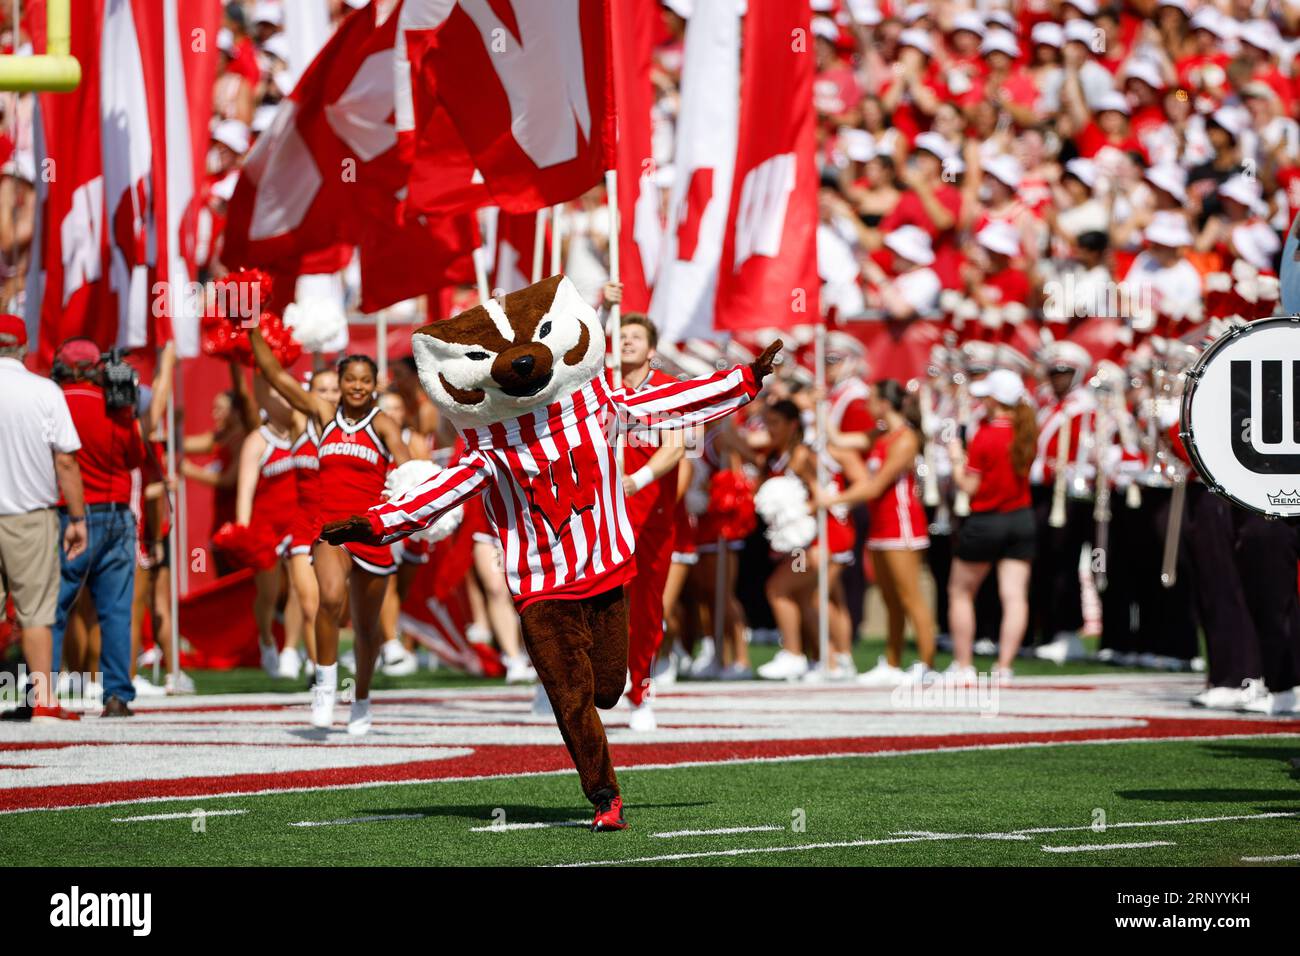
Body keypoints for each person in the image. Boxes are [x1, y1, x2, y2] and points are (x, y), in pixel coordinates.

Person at [250, 326, 409, 733]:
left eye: (365, 381)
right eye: (350, 380)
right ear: (338, 384)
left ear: (376, 385)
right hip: (332, 531)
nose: (357, 387)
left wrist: (415, 509)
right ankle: (324, 686)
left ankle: (361, 699)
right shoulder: (324, 416)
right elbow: (275, 375)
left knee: (368, 628)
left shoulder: (384, 424)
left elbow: (411, 474)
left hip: (372, 533)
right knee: (330, 599)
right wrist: (251, 327)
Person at [51, 338, 157, 718]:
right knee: (115, 610)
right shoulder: (115, 405)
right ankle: (116, 695)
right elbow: (135, 457)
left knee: (53, 608)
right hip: (115, 515)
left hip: (68, 516)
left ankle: (44, 695)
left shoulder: (54, 400)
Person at [0, 316, 86, 722]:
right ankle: (43, 701)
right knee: (36, 612)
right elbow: (66, 460)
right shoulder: (44, 390)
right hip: (31, 516)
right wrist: (78, 517)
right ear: (23, 346)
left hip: (24, 513)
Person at [823, 381, 937, 686]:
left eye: (872, 400)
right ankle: (893, 661)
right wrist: (818, 408)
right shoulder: (881, 434)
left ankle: (927, 663)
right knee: (889, 598)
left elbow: (875, 485)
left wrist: (831, 500)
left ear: (886, 404)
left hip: (902, 525)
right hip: (880, 525)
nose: (867, 406)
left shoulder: (905, 439)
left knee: (910, 596)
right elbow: (839, 441)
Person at [614, 310, 686, 731]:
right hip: (606, 513)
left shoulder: (669, 391)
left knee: (646, 606)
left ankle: (640, 690)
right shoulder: (599, 388)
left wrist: (637, 480)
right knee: (592, 601)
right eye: (620, 335)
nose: (626, 341)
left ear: (652, 348)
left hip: (653, 514)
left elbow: (676, 448)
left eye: (635, 336)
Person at [946, 369, 1039, 684]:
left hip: (986, 520)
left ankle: (964, 666)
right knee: (1014, 596)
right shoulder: (1026, 431)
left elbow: (968, 487)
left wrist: (956, 459)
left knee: (960, 592)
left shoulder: (986, 434)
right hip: (1021, 518)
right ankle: (1004, 667)